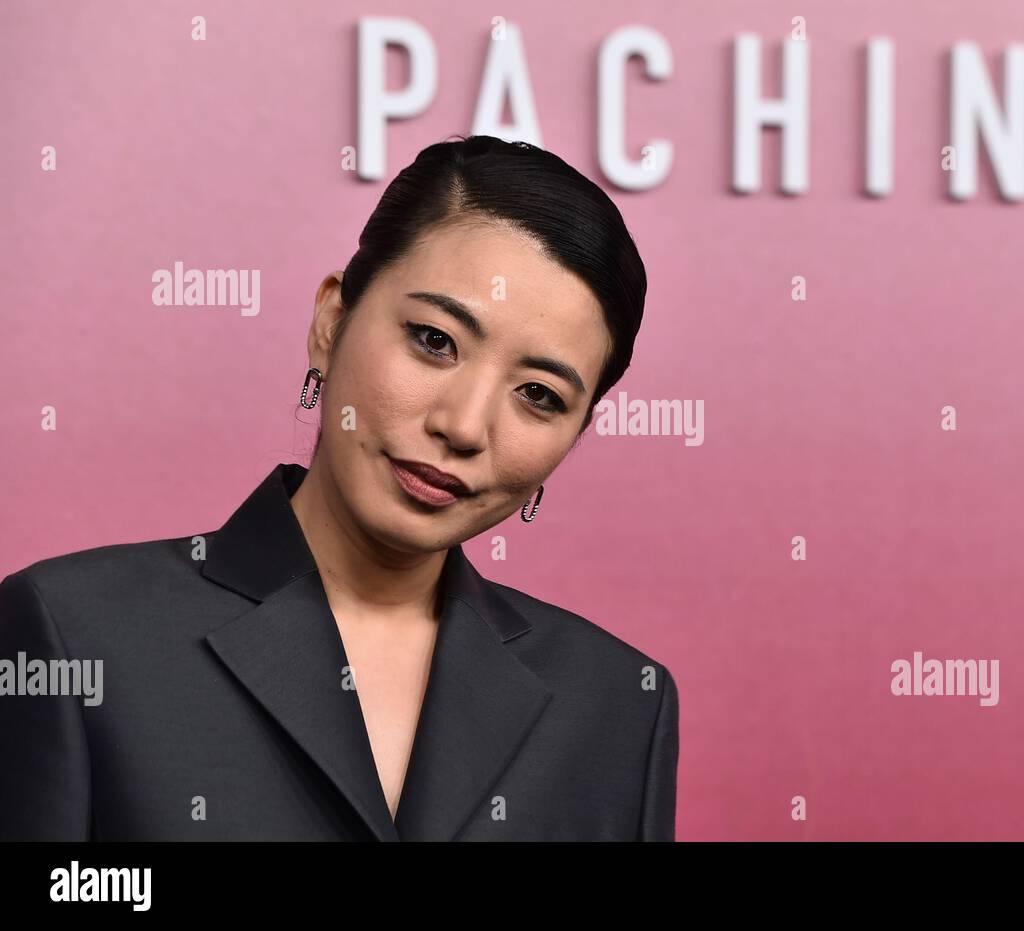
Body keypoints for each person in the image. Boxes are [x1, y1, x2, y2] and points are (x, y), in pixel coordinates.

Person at [0, 134, 678, 841]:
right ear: (331, 321)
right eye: (435, 340)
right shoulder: (75, 633)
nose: (463, 426)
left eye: (538, 394)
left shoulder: (619, 704)